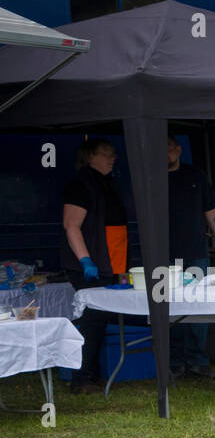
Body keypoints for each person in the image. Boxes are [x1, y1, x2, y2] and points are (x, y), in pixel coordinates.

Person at [61, 138, 133, 394]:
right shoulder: (81, 185)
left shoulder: (106, 183)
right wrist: (85, 260)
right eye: (106, 154)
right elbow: (72, 225)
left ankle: (91, 373)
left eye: (113, 154)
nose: (112, 158)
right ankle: (80, 379)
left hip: (110, 262)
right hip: (92, 265)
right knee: (91, 321)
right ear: (90, 156)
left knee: (100, 320)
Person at [166, 134, 215, 380]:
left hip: (195, 254)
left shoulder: (195, 176)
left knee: (198, 308)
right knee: (170, 309)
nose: (166, 153)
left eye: (169, 148)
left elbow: (212, 212)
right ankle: (174, 363)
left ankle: (198, 362)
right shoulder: (150, 179)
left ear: (178, 149)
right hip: (163, 257)